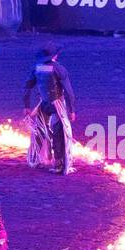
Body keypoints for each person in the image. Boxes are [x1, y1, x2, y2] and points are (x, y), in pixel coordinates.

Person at [23, 42, 76, 175]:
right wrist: (72, 110)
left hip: (44, 103)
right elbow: (69, 92)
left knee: (40, 130)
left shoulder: (37, 68)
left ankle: (35, 158)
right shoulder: (59, 69)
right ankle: (58, 164)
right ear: (55, 56)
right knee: (59, 133)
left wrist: (27, 106)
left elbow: (27, 87)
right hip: (57, 104)